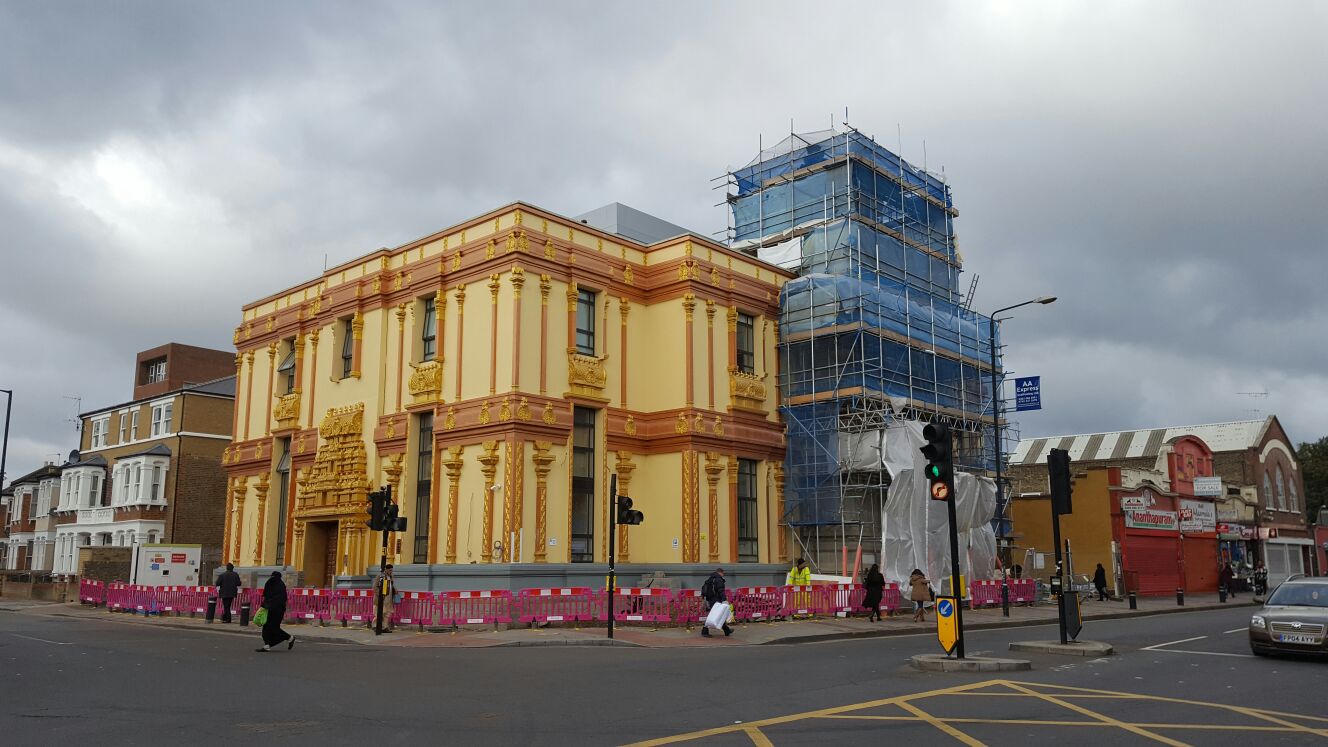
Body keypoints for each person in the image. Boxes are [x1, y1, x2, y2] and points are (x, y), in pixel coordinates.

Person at [256, 571, 294, 652]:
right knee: (269, 627)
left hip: (272, 609)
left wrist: (263, 606)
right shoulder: (281, 585)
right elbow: (282, 598)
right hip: (278, 610)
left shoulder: (270, 583)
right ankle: (267, 645)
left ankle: (289, 638)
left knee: (271, 628)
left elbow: (267, 596)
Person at [700, 567, 733, 638]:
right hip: (716, 600)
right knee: (713, 615)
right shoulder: (718, 579)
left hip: (709, 599)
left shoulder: (710, 579)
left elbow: (703, 589)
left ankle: (727, 630)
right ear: (721, 572)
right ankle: (704, 631)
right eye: (723, 573)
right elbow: (721, 590)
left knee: (719, 614)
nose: (723, 575)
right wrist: (724, 600)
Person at [375, 563, 396, 632]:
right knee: (380, 612)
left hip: (389, 598)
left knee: (387, 613)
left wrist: (394, 590)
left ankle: (385, 627)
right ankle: (376, 626)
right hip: (382, 598)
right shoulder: (381, 576)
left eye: (391, 570)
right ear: (386, 570)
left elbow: (390, 586)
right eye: (390, 570)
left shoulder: (391, 576)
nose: (391, 572)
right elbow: (375, 587)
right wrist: (379, 595)